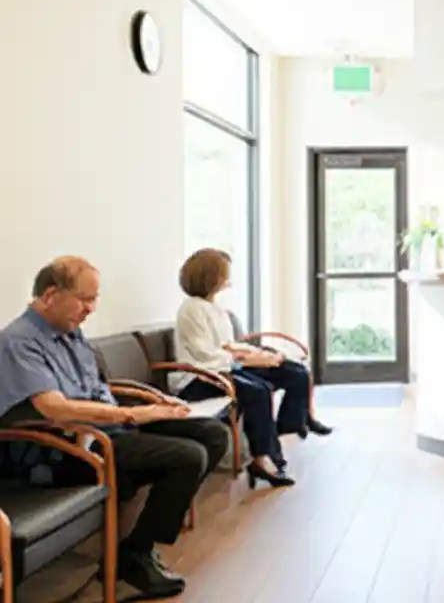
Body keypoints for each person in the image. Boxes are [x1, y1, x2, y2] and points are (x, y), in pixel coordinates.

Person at [0, 256, 228, 599]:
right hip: (61, 449)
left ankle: (134, 542)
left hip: (103, 431)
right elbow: (55, 409)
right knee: (186, 457)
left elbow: (96, 389)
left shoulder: (71, 332)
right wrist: (133, 416)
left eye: (95, 298)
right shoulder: (19, 341)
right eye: (85, 299)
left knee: (212, 434)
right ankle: (135, 553)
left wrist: (152, 406)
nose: (91, 308)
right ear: (49, 295)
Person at [172, 249, 331, 489]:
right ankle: (262, 458)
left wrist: (261, 355)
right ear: (211, 276)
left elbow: (227, 345)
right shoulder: (191, 309)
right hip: (199, 377)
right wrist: (249, 361)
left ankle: (289, 425)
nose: (228, 279)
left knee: (294, 371)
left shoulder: (215, 308)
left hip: (223, 368)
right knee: (258, 390)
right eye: (224, 273)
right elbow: (205, 354)